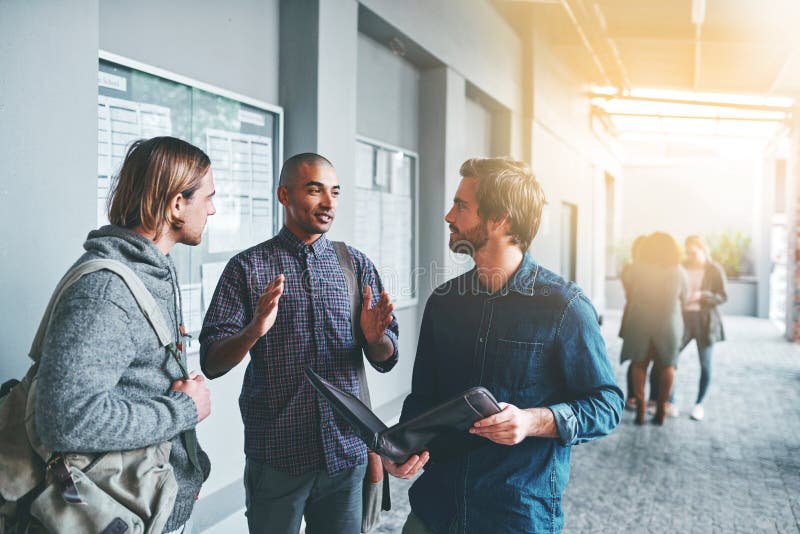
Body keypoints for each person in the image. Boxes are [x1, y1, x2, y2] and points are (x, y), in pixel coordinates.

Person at [385, 157, 623, 533]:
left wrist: (531, 421)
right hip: (435, 510)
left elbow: (607, 404)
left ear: (500, 219)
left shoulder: (565, 307)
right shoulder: (444, 302)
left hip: (514, 515)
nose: (449, 216)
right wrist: (401, 448)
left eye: (461, 206)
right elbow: (423, 400)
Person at [199, 153, 399, 534]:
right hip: (277, 459)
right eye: (314, 190)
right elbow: (211, 360)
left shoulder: (354, 265)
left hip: (345, 456)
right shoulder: (248, 268)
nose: (328, 203)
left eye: (334, 192)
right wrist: (253, 330)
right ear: (284, 195)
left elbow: (387, 357)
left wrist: (376, 341)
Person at [35, 136, 216, 534]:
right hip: (115, 515)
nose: (212, 209)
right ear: (177, 205)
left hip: (151, 505)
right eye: (208, 197)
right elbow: (65, 419)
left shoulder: (153, 269)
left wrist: (188, 471)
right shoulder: (107, 291)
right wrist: (184, 410)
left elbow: (144, 384)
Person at [620, 232, 688, 425]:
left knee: (639, 363)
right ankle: (661, 409)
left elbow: (629, 290)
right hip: (668, 321)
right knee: (668, 365)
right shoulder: (677, 270)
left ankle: (641, 410)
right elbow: (685, 296)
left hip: (640, 320)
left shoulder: (636, 268)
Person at [681, 235, 727, 421]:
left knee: (705, 365)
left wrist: (702, 295)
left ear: (703, 249)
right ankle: (670, 402)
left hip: (705, 321)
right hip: (684, 319)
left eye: (693, 252)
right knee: (669, 360)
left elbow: (723, 296)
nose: (690, 256)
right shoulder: (682, 267)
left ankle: (698, 404)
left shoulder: (714, 269)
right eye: (687, 253)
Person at [620, 235, 646, 410]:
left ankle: (649, 397)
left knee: (647, 358)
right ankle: (633, 396)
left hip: (645, 317)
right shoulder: (630, 269)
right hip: (634, 316)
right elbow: (631, 290)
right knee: (636, 357)